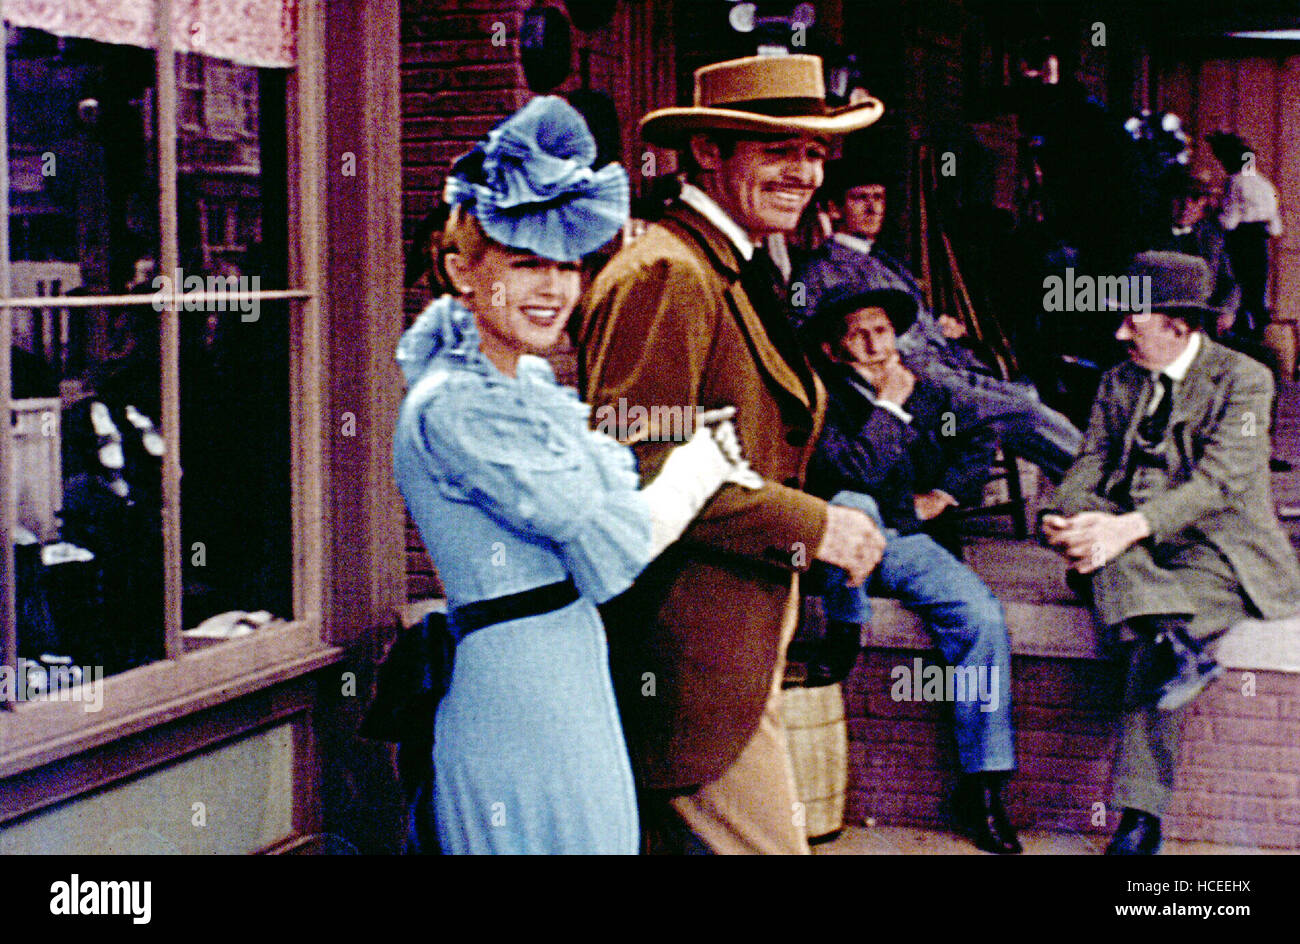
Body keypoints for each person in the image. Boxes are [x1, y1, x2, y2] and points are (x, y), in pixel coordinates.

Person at [393, 97, 760, 854]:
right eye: (526, 263)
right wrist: (697, 468)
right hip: (518, 684)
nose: (554, 288)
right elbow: (617, 541)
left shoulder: (521, 390)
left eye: (567, 264)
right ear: (463, 269)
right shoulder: (458, 405)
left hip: (566, 660)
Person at [577, 54, 888, 855]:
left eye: (817, 152)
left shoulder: (731, 264)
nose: (806, 171)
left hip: (738, 655)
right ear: (709, 152)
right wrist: (815, 526)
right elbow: (640, 475)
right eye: (779, 148)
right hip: (687, 665)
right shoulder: (667, 275)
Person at [1042, 251, 1300, 855]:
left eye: (1134, 320)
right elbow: (1089, 463)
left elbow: (1219, 485)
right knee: (1153, 625)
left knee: (1143, 644)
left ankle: (1140, 816)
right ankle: (1174, 647)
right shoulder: (1119, 379)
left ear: (1180, 324)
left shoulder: (1244, 379)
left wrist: (1120, 530)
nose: (1119, 333)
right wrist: (1073, 518)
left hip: (1219, 554)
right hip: (1128, 549)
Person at [802, 286, 1021, 854]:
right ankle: (845, 626)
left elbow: (980, 433)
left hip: (904, 541)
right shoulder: (820, 396)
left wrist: (945, 494)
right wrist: (888, 407)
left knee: (979, 617)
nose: (877, 344)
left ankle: (985, 785)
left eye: (883, 330)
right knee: (855, 499)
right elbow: (854, 467)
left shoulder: (927, 391)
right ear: (833, 348)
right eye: (859, 333)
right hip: (837, 552)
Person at [794, 159, 1083, 481]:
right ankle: (1101, 488)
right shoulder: (820, 271)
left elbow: (904, 319)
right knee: (1025, 414)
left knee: (1028, 399)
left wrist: (936, 327)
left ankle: (1097, 489)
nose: (874, 208)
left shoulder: (882, 259)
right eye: (861, 199)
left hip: (948, 368)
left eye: (880, 198)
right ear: (833, 210)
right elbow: (810, 338)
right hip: (913, 386)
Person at [1207, 131, 1284, 342]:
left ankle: (1240, 337)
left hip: (1241, 243)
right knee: (1257, 295)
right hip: (1261, 243)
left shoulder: (1235, 182)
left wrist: (1212, 213)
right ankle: (1263, 338)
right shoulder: (1266, 185)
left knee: (1236, 289)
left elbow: (1229, 221)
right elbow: (1276, 227)